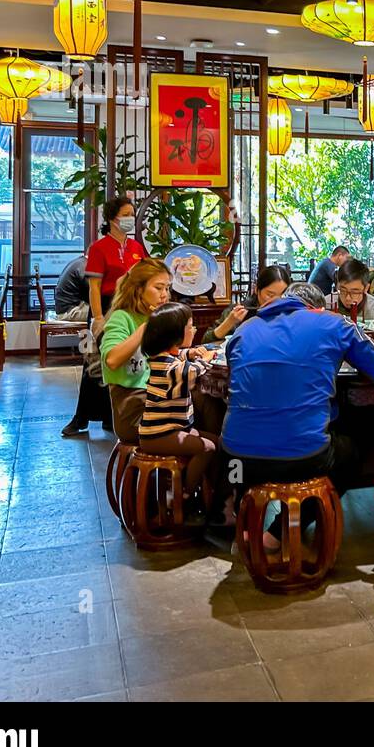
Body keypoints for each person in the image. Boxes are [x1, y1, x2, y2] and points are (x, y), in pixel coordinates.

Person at [222, 281, 374, 545]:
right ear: (317, 307)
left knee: (252, 445)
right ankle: (280, 533)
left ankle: (243, 527)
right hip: (302, 456)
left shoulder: (244, 329)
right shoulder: (333, 323)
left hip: (236, 460)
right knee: (350, 454)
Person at [63, 197, 148, 437]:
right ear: (113, 218)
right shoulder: (98, 248)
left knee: (128, 360)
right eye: (127, 213)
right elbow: (94, 287)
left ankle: (113, 417)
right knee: (95, 364)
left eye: (133, 213)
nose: (132, 218)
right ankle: (80, 418)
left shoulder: (136, 248)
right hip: (105, 307)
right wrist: (98, 318)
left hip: (130, 308)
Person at [138, 302, 219, 522]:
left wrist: (191, 352)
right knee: (208, 448)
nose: (193, 330)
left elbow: (181, 356)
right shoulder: (171, 368)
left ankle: (209, 497)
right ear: (175, 335)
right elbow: (192, 371)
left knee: (216, 440)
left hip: (169, 429)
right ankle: (182, 494)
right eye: (190, 327)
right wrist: (206, 358)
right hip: (160, 435)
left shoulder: (161, 357)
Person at [98, 257, 171, 443]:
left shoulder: (154, 317)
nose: (165, 295)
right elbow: (112, 360)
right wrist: (146, 328)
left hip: (155, 400)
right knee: (203, 440)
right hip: (133, 411)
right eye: (158, 288)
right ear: (139, 289)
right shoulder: (122, 318)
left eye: (167, 288)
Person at [204, 265, 289, 343]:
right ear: (256, 289)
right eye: (270, 295)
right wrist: (229, 322)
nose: (276, 301)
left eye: (282, 295)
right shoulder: (241, 310)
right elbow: (206, 341)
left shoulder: (291, 314)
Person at [54, 255, 90, 320]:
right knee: (107, 313)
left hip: (66, 309)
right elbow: (92, 292)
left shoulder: (80, 262)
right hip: (70, 312)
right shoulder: (85, 266)